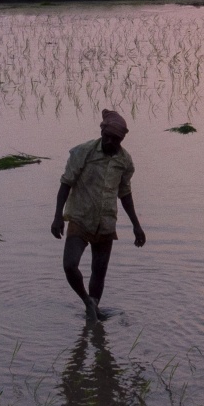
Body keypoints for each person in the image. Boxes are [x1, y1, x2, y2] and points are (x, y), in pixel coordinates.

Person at [51, 109, 146, 324]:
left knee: (99, 273)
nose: (110, 141)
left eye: (115, 139)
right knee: (69, 265)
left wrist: (136, 226)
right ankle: (87, 302)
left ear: (121, 140)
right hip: (80, 218)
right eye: (107, 137)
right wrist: (58, 216)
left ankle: (92, 320)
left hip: (105, 222)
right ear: (102, 133)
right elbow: (66, 183)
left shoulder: (125, 161)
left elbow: (125, 193)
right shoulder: (83, 152)